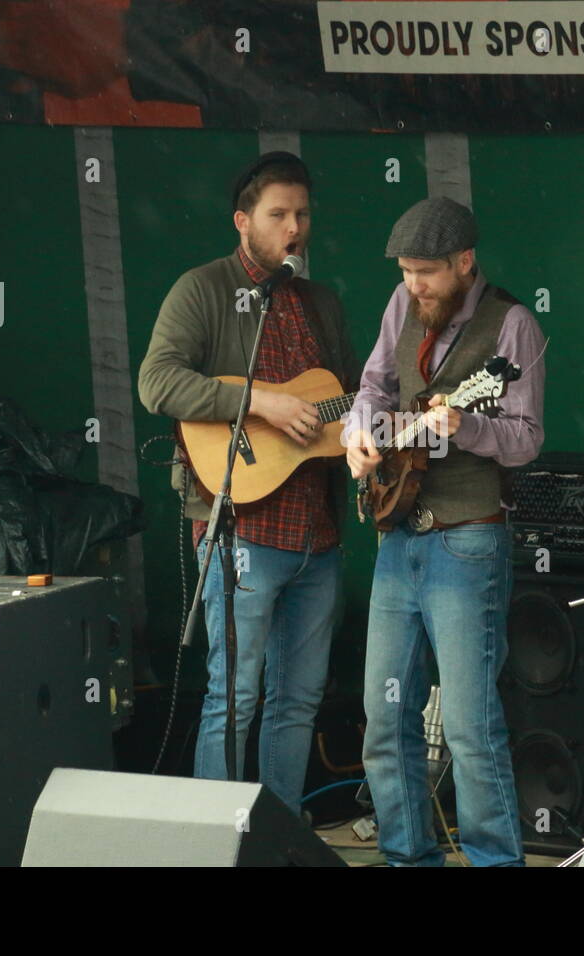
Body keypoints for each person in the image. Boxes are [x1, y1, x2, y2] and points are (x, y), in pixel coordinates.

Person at [138, 151, 357, 815]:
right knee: (232, 697)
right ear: (243, 221)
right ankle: (219, 840)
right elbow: (157, 382)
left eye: (303, 214)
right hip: (243, 532)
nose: (295, 227)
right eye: (278, 214)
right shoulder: (202, 289)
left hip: (317, 535)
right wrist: (260, 402)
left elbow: (354, 397)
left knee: (298, 700)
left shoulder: (321, 303)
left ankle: (280, 837)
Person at [345, 197, 546, 865]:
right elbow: (374, 386)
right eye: (405, 271)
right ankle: (407, 856)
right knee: (384, 717)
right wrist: (360, 436)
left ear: (465, 262)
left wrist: (468, 425)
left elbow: (525, 439)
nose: (414, 285)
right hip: (398, 534)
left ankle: (495, 860)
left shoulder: (512, 324)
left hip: (468, 539)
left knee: (467, 726)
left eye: (426, 272)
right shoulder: (401, 305)